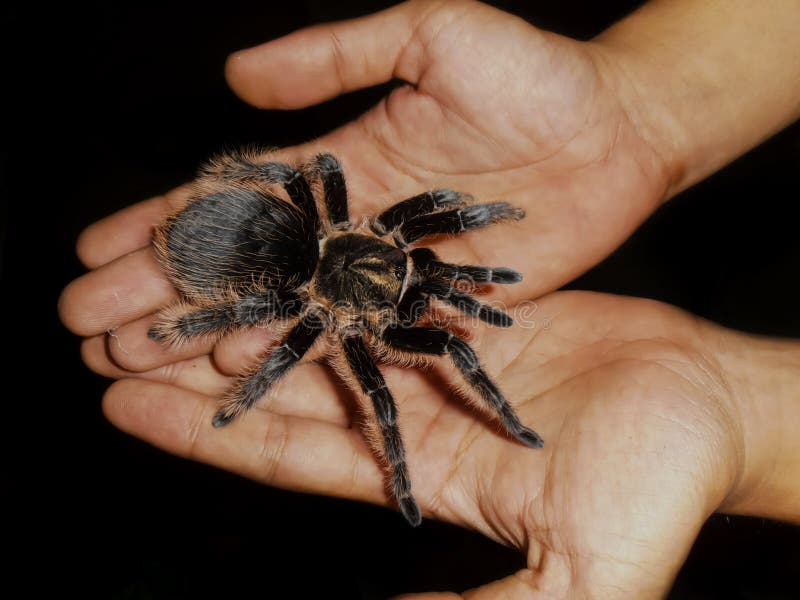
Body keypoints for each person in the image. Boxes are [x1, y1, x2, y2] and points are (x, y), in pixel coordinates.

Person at [59, 1, 800, 597]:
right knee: (375, 380)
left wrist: (496, 217)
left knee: (342, 312)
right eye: (415, 268)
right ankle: (460, 433)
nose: (419, 275)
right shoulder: (358, 289)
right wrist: (223, 369)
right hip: (250, 256)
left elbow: (323, 172)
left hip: (266, 228)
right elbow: (374, 351)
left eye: (414, 267)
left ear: (399, 246)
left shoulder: (373, 231)